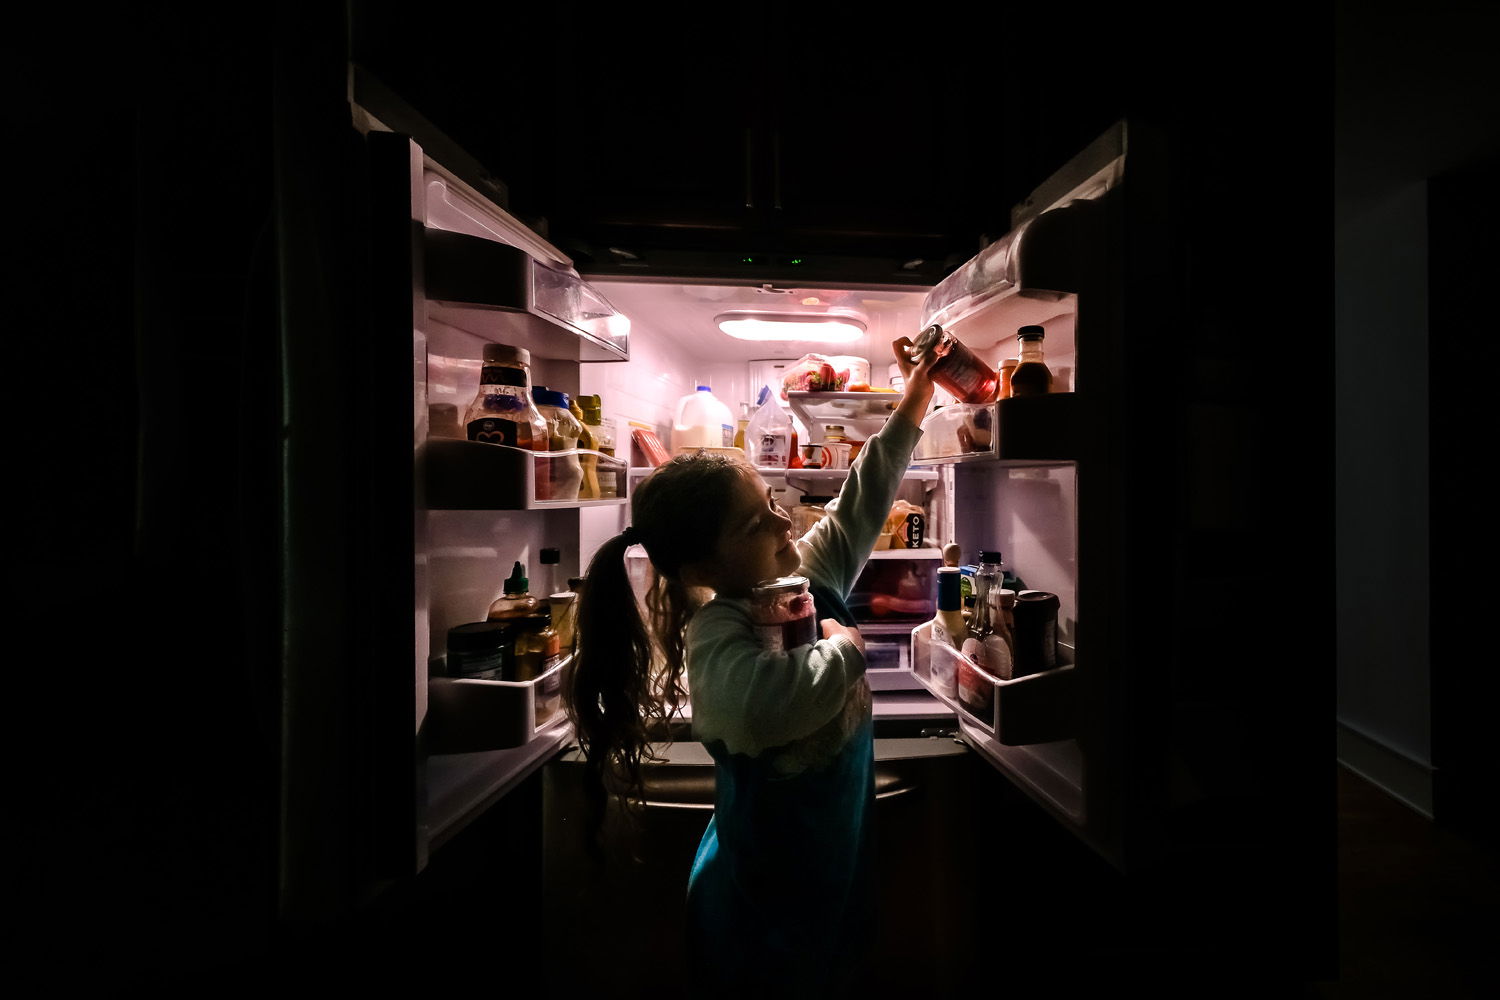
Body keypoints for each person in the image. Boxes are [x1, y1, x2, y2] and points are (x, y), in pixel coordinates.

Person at [564, 337, 938, 998]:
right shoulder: (718, 630)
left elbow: (862, 499)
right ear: (704, 570)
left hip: (834, 869)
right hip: (755, 908)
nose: (779, 520)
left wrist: (913, 399)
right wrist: (845, 648)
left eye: (769, 500)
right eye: (752, 524)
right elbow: (767, 709)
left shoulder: (804, 576)